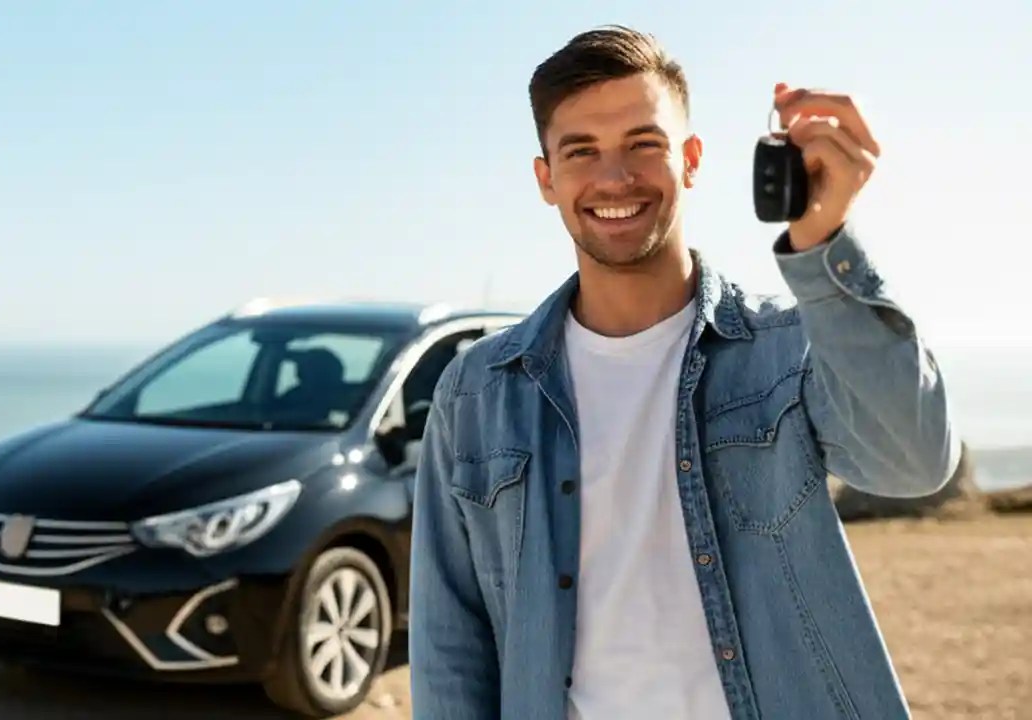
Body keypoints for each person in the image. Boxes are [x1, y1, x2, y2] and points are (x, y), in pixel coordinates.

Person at [408, 24, 959, 720]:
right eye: (581, 151)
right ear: (546, 177)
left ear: (692, 159)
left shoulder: (785, 348)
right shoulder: (477, 394)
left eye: (643, 144)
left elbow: (914, 464)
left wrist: (823, 246)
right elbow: (449, 646)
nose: (614, 178)